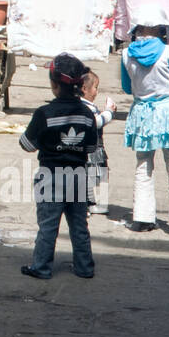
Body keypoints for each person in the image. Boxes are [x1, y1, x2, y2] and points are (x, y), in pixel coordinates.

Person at [19, 53, 99, 279]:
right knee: (79, 226)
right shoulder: (86, 114)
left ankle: (41, 267)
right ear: (81, 85)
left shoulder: (44, 114)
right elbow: (92, 149)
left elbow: (26, 144)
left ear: (54, 85)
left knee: (48, 226)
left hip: (50, 176)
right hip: (78, 176)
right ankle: (85, 268)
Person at [121, 5, 169, 237]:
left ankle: (142, 218)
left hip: (142, 114)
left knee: (144, 164)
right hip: (168, 113)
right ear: (160, 30)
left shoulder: (126, 54)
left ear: (137, 29)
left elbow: (126, 87)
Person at [81, 69, 115, 216]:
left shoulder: (84, 106)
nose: (97, 91)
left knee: (94, 176)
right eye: (95, 87)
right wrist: (109, 112)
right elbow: (97, 122)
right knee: (92, 177)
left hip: (92, 148)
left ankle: (91, 203)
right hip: (91, 149)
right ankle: (87, 205)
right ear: (84, 89)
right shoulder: (86, 108)